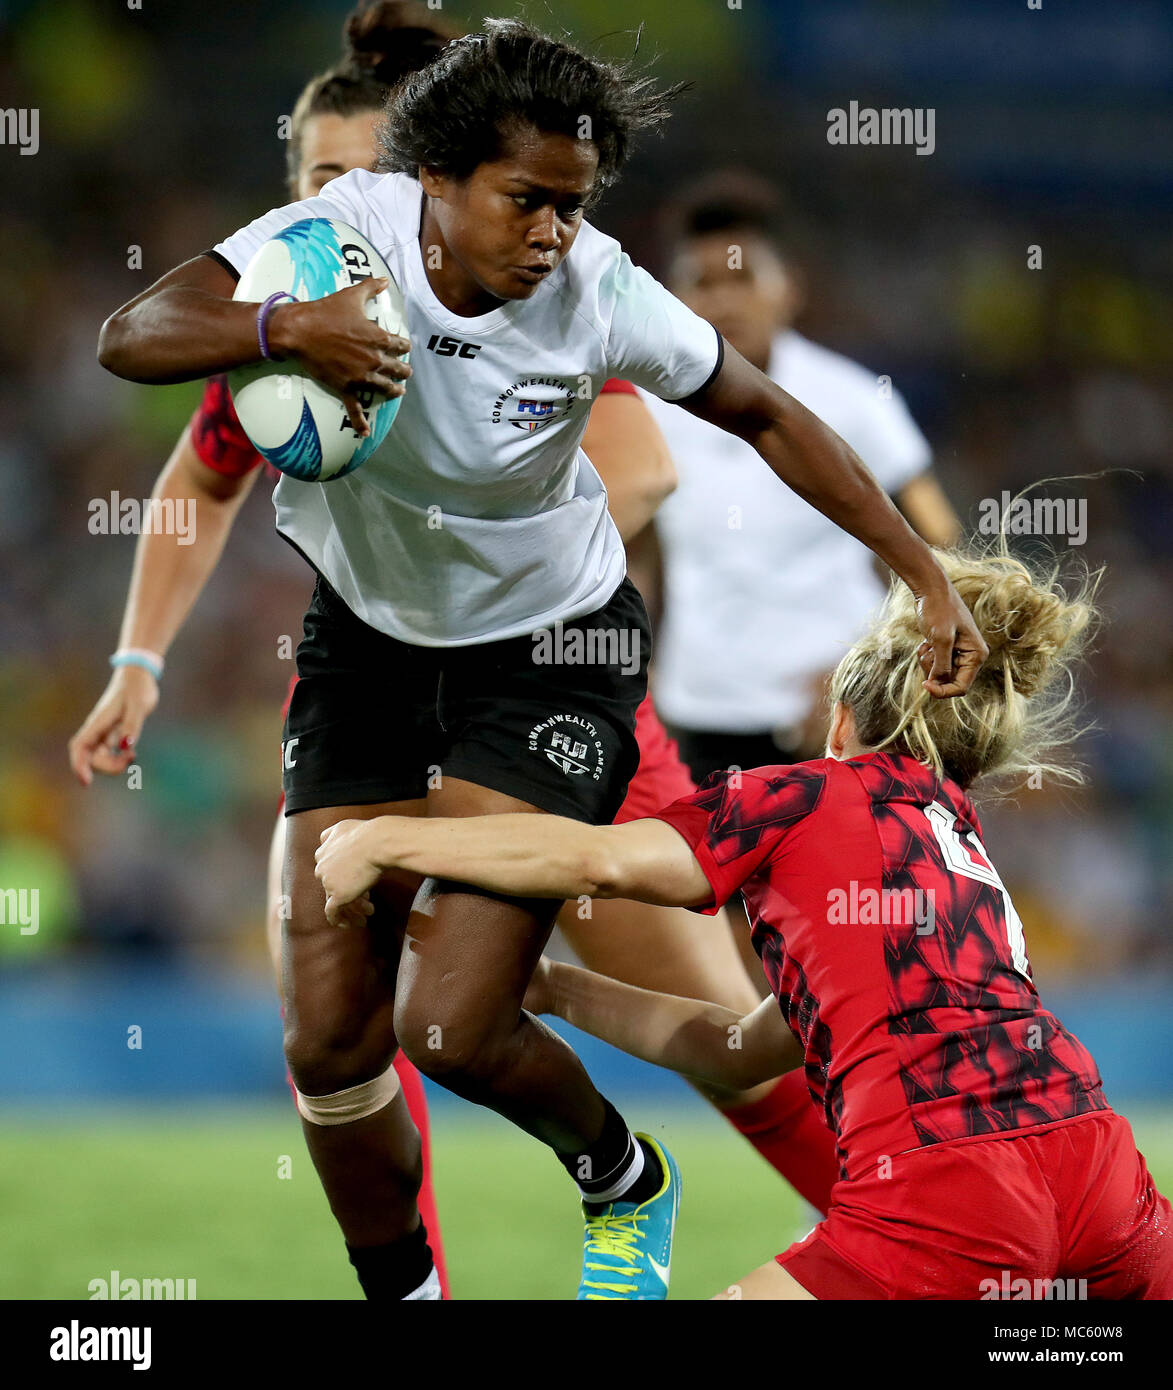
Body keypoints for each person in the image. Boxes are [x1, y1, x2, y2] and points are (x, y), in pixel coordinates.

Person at [96, 18, 986, 1302]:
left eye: (574, 205)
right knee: (330, 1041)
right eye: (528, 202)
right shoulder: (342, 237)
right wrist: (286, 328)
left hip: (546, 657)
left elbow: (769, 415)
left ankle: (623, 1174)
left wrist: (922, 573)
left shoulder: (601, 292)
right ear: (434, 181)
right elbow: (133, 334)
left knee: (447, 1026)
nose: (555, 234)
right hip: (365, 649)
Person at [318, 546, 1173, 1300]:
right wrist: (553, 989)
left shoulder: (800, 795)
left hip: (948, 1184)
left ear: (841, 718)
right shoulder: (955, 841)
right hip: (1100, 1175)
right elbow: (738, 1049)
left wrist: (386, 839)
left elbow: (597, 860)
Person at [645, 175, 962, 783]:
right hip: (695, 714)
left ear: (788, 288)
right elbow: (635, 554)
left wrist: (869, 669)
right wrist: (636, 667)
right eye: (701, 283)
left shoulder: (856, 401)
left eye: (742, 278)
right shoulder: (648, 407)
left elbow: (941, 542)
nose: (723, 302)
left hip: (841, 713)